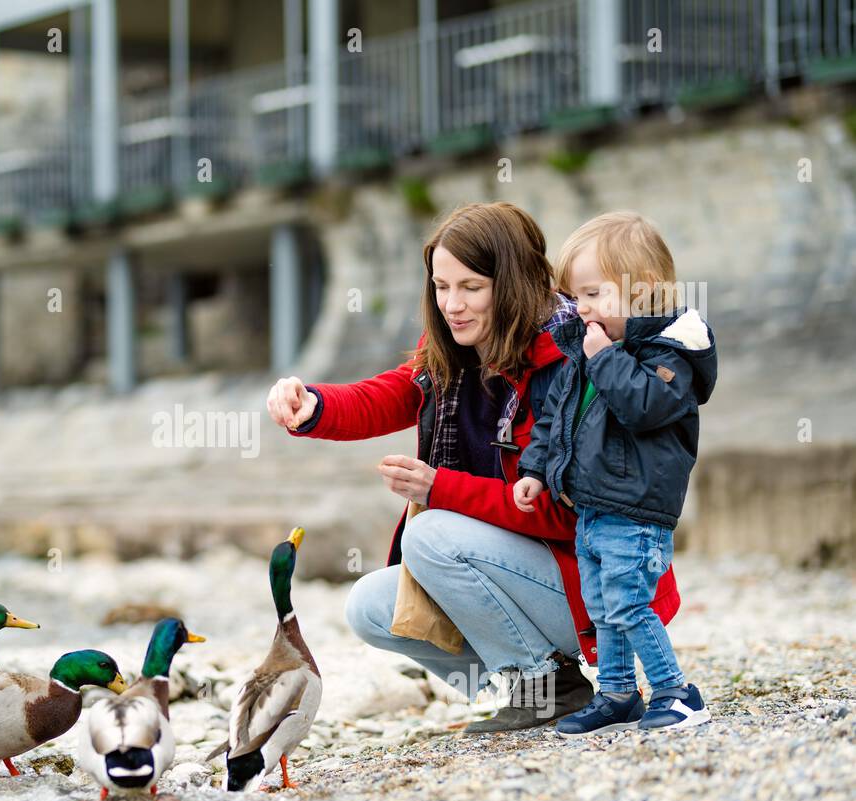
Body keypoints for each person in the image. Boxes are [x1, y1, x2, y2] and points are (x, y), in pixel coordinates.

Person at [266, 201, 681, 734]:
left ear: (508, 285)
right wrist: (313, 405)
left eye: (470, 287)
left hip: (595, 580)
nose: (452, 305)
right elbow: (394, 393)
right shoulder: (458, 348)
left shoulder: (569, 360)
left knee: (432, 534)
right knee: (370, 605)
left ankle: (548, 686)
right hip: (525, 575)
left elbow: (562, 515)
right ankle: (533, 684)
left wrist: (440, 488)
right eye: (441, 287)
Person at [514, 212, 717, 734]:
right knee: (601, 606)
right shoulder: (589, 349)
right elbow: (556, 416)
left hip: (637, 508)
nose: (581, 309)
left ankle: (677, 692)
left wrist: (604, 357)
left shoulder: (673, 351)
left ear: (644, 291)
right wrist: (536, 468)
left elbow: (644, 406)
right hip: (593, 506)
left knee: (630, 603)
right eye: (576, 297)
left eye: (593, 294)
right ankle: (618, 693)